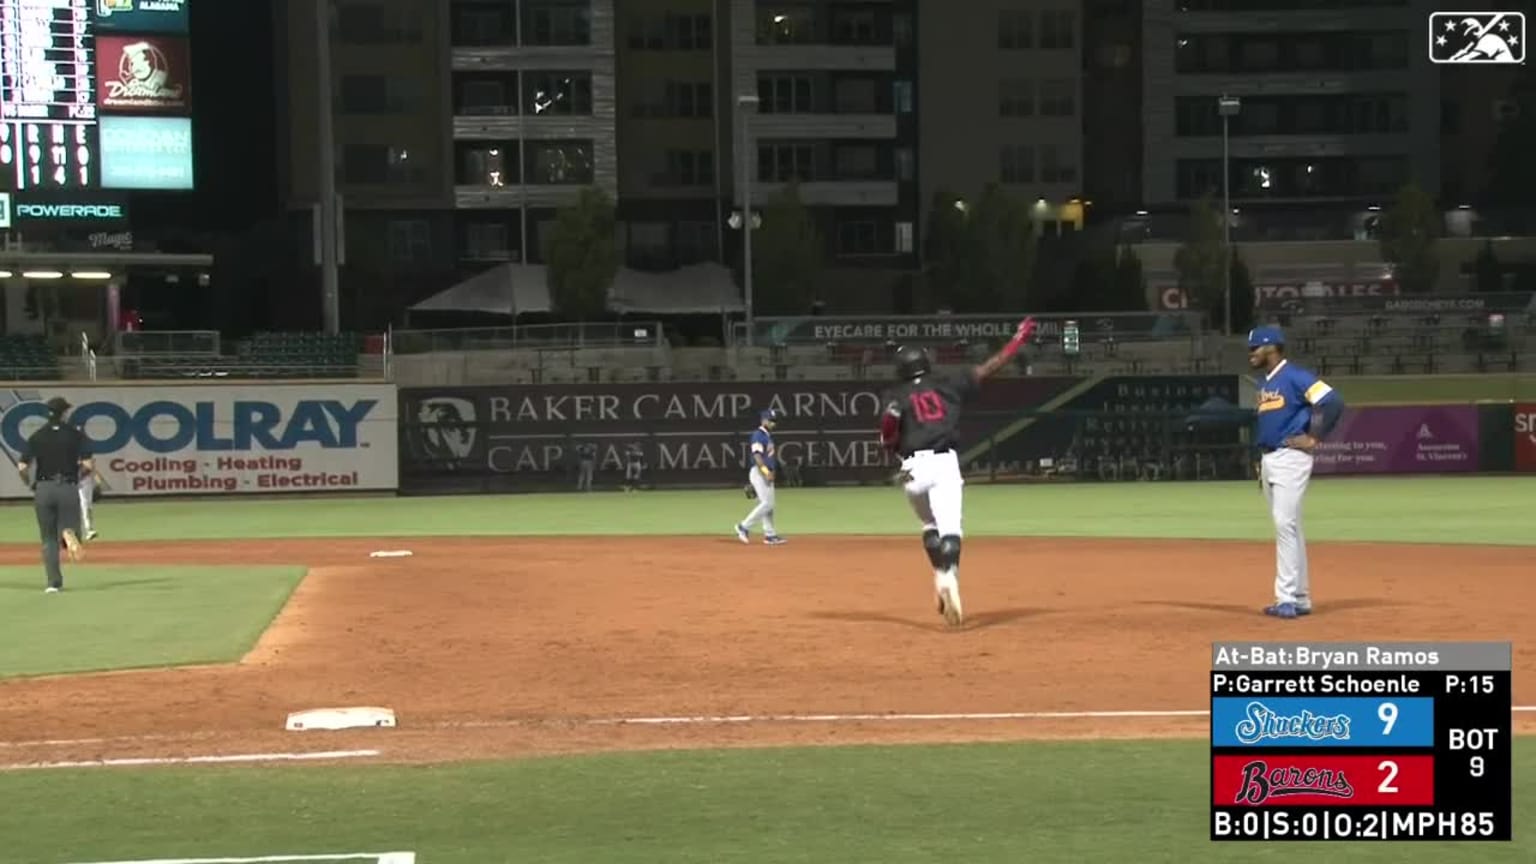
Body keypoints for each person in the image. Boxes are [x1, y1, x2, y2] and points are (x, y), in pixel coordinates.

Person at [878, 317, 1036, 627]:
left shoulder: (894, 395)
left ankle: (940, 574)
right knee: (950, 529)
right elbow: (991, 366)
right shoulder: (948, 383)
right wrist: (1017, 341)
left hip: (911, 469)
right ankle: (948, 575)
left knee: (929, 525)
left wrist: (891, 450)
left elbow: (888, 432)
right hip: (943, 463)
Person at [1247, 325, 1344, 619]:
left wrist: (1314, 437)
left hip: (1290, 457)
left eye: (1255, 348)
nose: (1251, 353)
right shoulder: (1266, 382)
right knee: (1291, 527)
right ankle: (1300, 597)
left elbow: (1332, 401)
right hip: (1270, 458)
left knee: (1284, 524)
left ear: (1272, 347)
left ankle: (1286, 597)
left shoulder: (1294, 376)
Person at [15, 397, 93, 593]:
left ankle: (53, 584)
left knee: (48, 539)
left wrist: (30, 484)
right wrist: (77, 477)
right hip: (67, 485)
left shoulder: (37, 436)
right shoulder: (75, 435)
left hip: (43, 487)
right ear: (64, 413)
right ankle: (68, 534)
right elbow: (88, 465)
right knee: (72, 527)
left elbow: (22, 466)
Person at [736, 408, 786, 546]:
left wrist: (770, 471)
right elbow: (757, 456)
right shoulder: (758, 435)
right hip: (759, 472)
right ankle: (743, 526)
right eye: (771, 420)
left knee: (769, 505)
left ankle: (770, 535)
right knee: (767, 504)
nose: (773, 423)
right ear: (763, 420)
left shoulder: (767, 436)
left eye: (775, 421)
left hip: (766, 472)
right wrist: (765, 471)